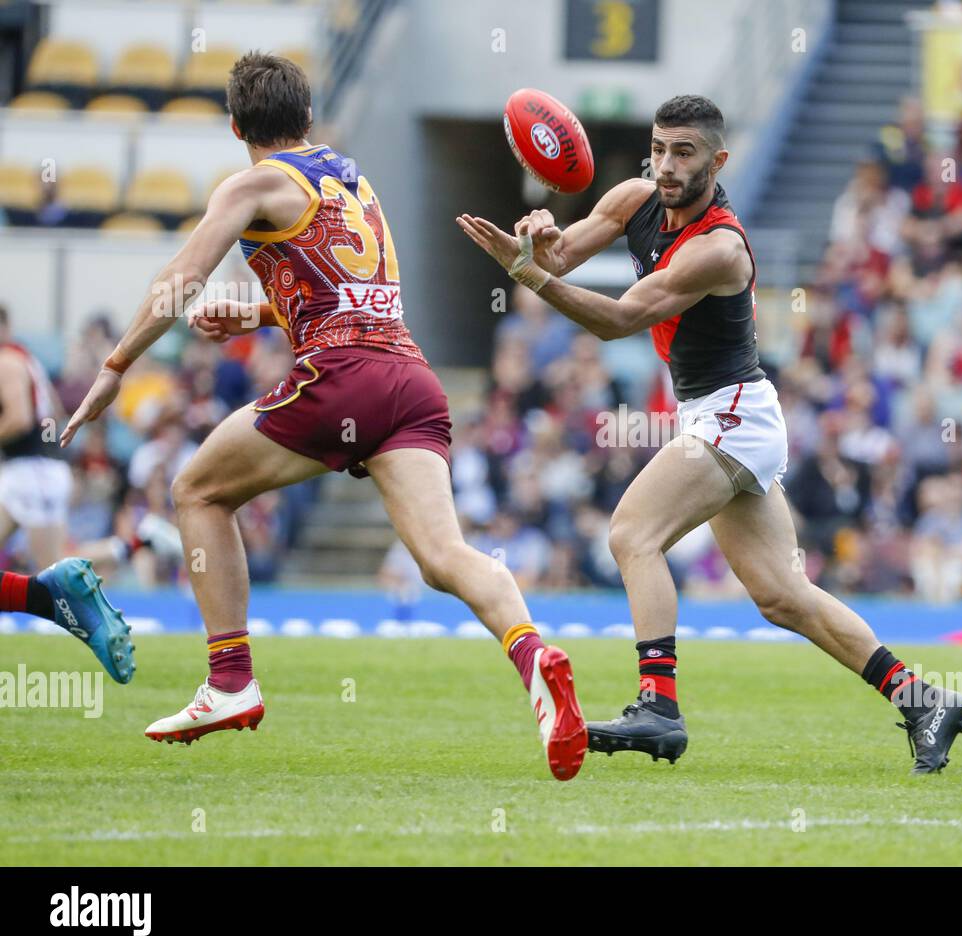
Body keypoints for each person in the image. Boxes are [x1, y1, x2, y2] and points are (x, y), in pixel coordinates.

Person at [60, 52, 587, 781]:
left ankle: (230, 681)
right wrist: (252, 311)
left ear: (237, 124)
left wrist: (116, 365)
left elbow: (180, 278)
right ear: (308, 120)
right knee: (444, 558)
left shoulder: (250, 183)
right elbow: (353, 292)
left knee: (197, 492)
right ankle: (536, 659)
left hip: (342, 377)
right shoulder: (352, 178)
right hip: (410, 379)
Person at [458, 94, 962, 774]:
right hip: (718, 413)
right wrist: (537, 241)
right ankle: (925, 702)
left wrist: (525, 273)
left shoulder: (720, 249)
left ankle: (658, 706)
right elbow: (559, 260)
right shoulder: (636, 196)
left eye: (684, 152)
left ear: (717, 160)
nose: (667, 166)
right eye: (660, 148)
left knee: (630, 534)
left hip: (733, 414)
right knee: (784, 597)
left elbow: (617, 321)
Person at [0, 306, 135, 683]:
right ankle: (130, 546)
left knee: (54, 568)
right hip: (37, 468)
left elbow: (19, 418)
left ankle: (85, 597)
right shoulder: (27, 360)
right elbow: (53, 412)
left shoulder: (6, 361)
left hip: (29, 471)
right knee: (55, 567)